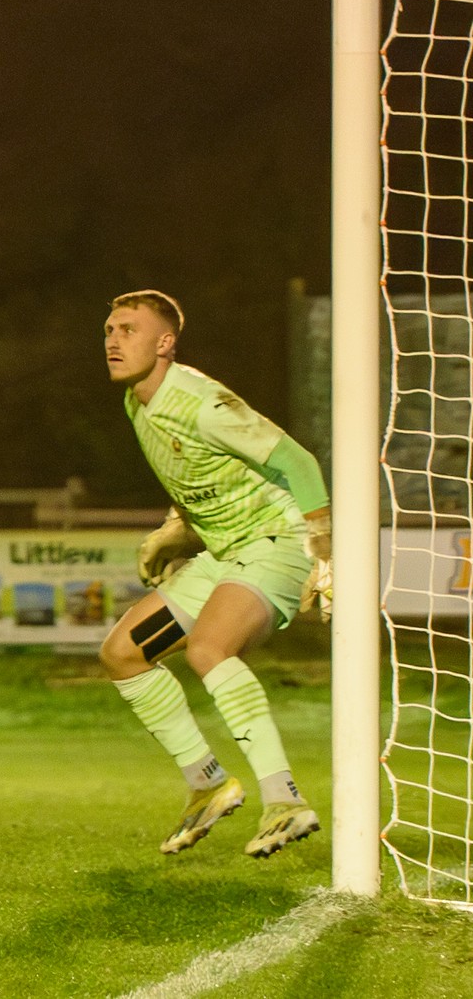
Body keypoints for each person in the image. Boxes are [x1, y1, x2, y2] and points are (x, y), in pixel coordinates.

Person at [95, 289, 329, 858]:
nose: (112, 340)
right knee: (122, 653)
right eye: (108, 330)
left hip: (277, 541)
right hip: (225, 551)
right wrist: (176, 531)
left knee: (209, 649)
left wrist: (327, 552)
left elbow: (298, 462)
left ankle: (286, 799)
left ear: (165, 342)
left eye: (128, 329)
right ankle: (208, 782)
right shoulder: (137, 403)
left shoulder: (202, 401)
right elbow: (197, 475)